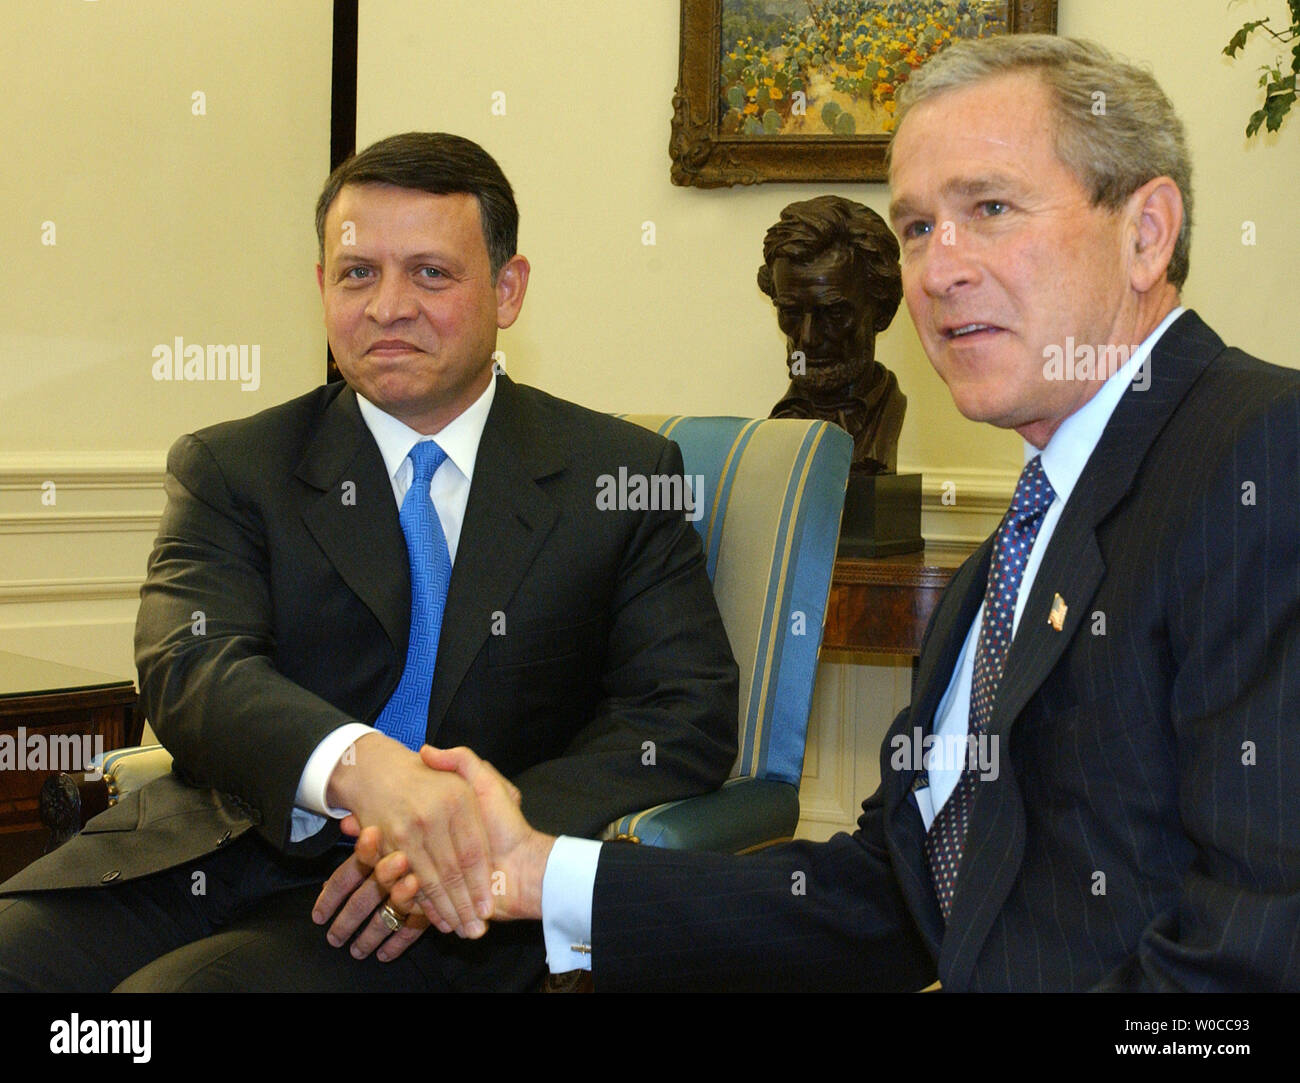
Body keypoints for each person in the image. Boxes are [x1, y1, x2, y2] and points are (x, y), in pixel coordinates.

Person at [335, 35, 1300, 991]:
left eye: (991, 208)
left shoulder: (1263, 454)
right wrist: (535, 873)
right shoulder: (1002, 568)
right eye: (918, 228)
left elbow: (1254, 957)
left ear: (1146, 232)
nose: (938, 270)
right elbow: (884, 896)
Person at [0, 132, 739, 992]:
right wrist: (364, 767)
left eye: (430, 272)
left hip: (442, 911)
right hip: (208, 846)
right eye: (358, 273)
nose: (388, 305)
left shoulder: (619, 475)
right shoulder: (235, 466)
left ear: (508, 288)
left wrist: (466, 834)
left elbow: (681, 711)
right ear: (322, 288)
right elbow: (191, 663)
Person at [762, 195, 908, 474]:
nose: (807, 338)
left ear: (882, 312)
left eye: (834, 315)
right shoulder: (774, 433)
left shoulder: (883, 424)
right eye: (791, 313)